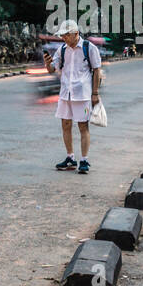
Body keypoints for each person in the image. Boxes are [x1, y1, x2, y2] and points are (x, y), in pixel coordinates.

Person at [43, 19, 101, 174]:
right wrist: (48, 64)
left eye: (66, 35)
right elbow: (52, 69)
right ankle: (70, 157)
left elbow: (97, 71)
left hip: (82, 95)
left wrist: (95, 93)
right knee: (66, 125)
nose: (63, 38)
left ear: (76, 34)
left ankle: (84, 160)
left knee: (83, 126)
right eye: (62, 36)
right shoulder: (62, 49)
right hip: (65, 94)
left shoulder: (89, 48)